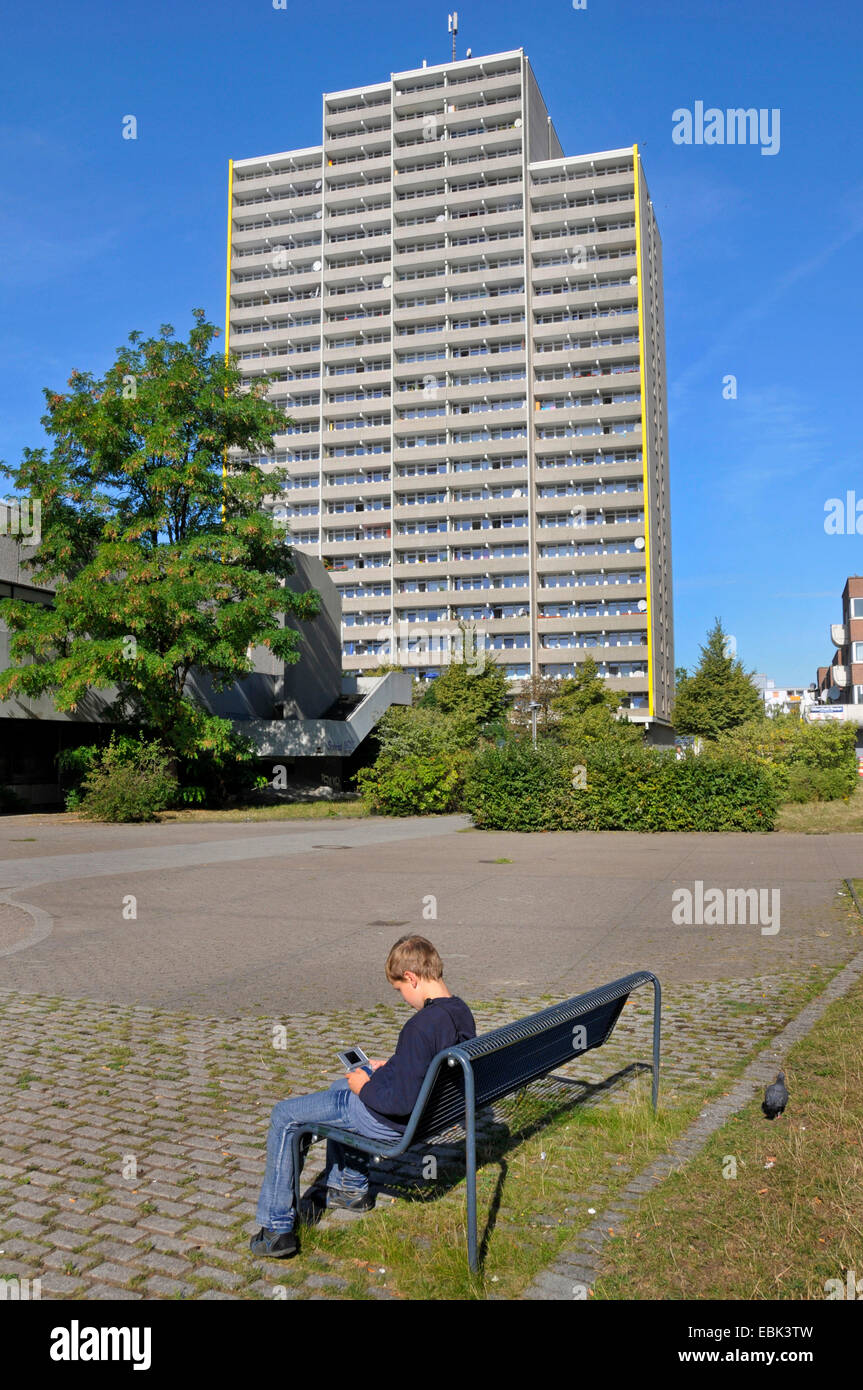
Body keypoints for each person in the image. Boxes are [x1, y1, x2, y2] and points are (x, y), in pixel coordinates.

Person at [251, 934, 476, 1258]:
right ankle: (350, 1188)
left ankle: (276, 1229)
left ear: (411, 978)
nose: (402, 998)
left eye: (399, 990)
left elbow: (400, 1103)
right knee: (339, 1086)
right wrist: (394, 1064)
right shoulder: (459, 1011)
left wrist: (365, 1088)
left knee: (285, 1115)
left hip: (392, 1122)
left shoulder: (419, 1026)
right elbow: (431, 1064)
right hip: (434, 1113)